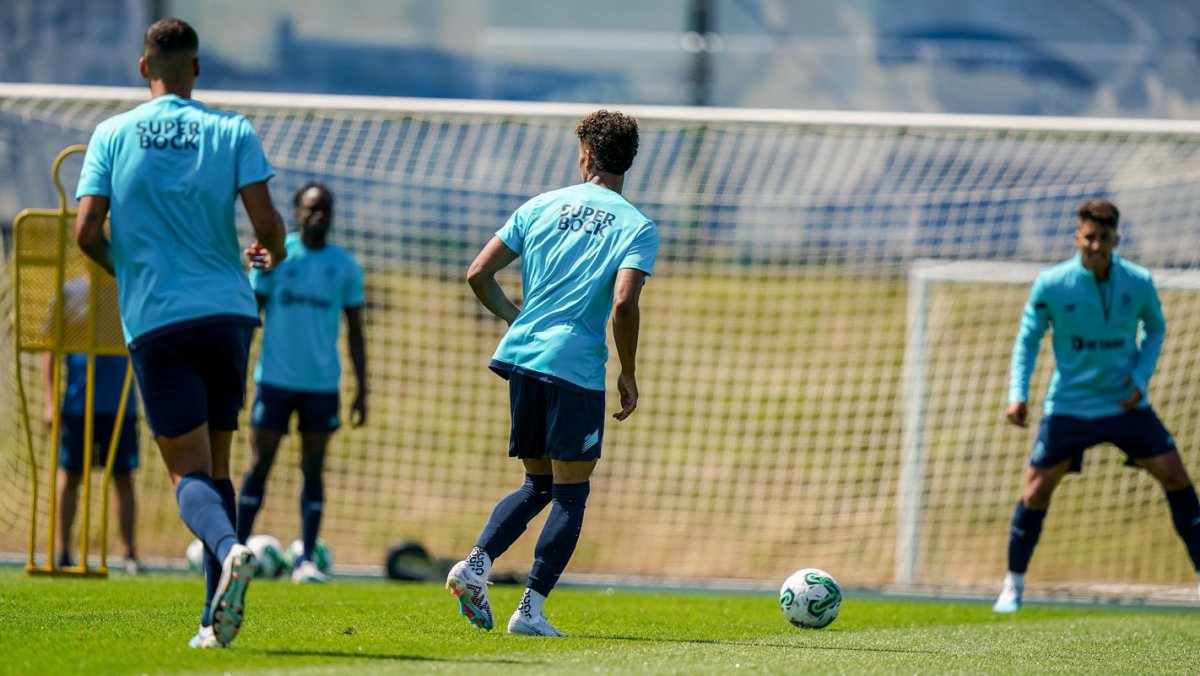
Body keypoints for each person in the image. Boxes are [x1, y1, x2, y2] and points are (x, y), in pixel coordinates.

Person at [74, 18, 287, 648]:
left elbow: (87, 231)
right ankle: (212, 623)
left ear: (144, 67)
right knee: (218, 467)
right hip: (228, 315)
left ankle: (228, 549)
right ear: (196, 68)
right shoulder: (231, 130)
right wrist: (270, 253)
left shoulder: (111, 134)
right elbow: (268, 226)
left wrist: (131, 273)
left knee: (186, 475)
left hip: (160, 319)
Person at [446, 109, 659, 637]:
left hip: (523, 358)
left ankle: (474, 566)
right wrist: (628, 371)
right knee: (569, 494)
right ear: (629, 161)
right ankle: (529, 611)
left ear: (586, 154)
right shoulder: (636, 226)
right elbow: (624, 304)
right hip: (574, 367)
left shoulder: (539, 206)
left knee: (536, 483)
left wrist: (517, 319)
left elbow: (478, 274)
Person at [993, 199, 1200, 613]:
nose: (1096, 245)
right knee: (1036, 491)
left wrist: (1140, 380)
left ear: (1115, 240)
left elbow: (1156, 329)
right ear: (1077, 238)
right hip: (1070, 406)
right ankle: (1013, 583)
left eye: (1104, 238)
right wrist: (1018, 393)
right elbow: (1028, 339)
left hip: (1125, 405)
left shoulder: (1138, 281)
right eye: (1090, 237)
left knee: (1176, 476)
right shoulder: (1052, 284)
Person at [235, 182, 368, 584]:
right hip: (274, 381)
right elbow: (250, 318)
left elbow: (355, 332)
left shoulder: (345, 266)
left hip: (322, 385)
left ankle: (307, 560)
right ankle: (234, 552)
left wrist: (362, 389)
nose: (318, 215)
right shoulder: (274, 256)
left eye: (324, 208)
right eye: (310, 208)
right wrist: (235, 374)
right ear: (295, 212)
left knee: (313, 469)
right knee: (259, 465)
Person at [43, 273, 140, 574]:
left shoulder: (129, 289)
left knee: (123, 477)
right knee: (70, 475)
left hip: (120, 404)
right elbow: (51, 349)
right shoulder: (69, 292)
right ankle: (63, 551)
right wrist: (50, 401)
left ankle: (129, 554)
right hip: (77, 404)